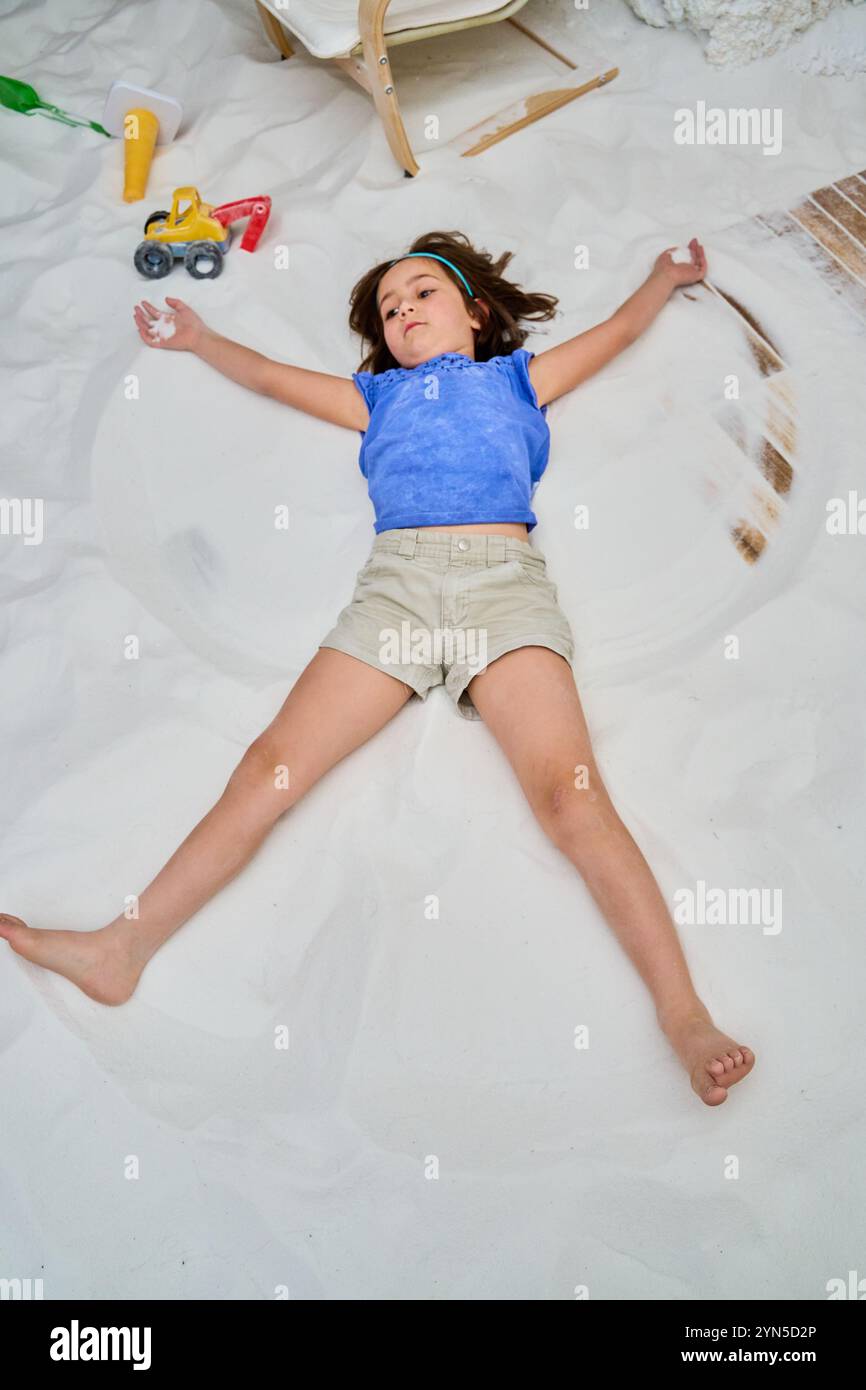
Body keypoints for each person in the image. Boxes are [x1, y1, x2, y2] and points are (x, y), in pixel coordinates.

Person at [0, 230, 755, 1106]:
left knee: (570, 796)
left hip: (502, 592)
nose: (403, 312)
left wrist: (663, 277)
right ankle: (118, 950)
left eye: (421, 293)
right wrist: (200, 340)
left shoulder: (516, 380)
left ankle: (684, 1016)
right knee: (268, 769)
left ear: (474, 312)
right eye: (390, 309)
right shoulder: (378, 398)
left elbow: (618, 334)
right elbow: (274, 379)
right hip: (394, 593)